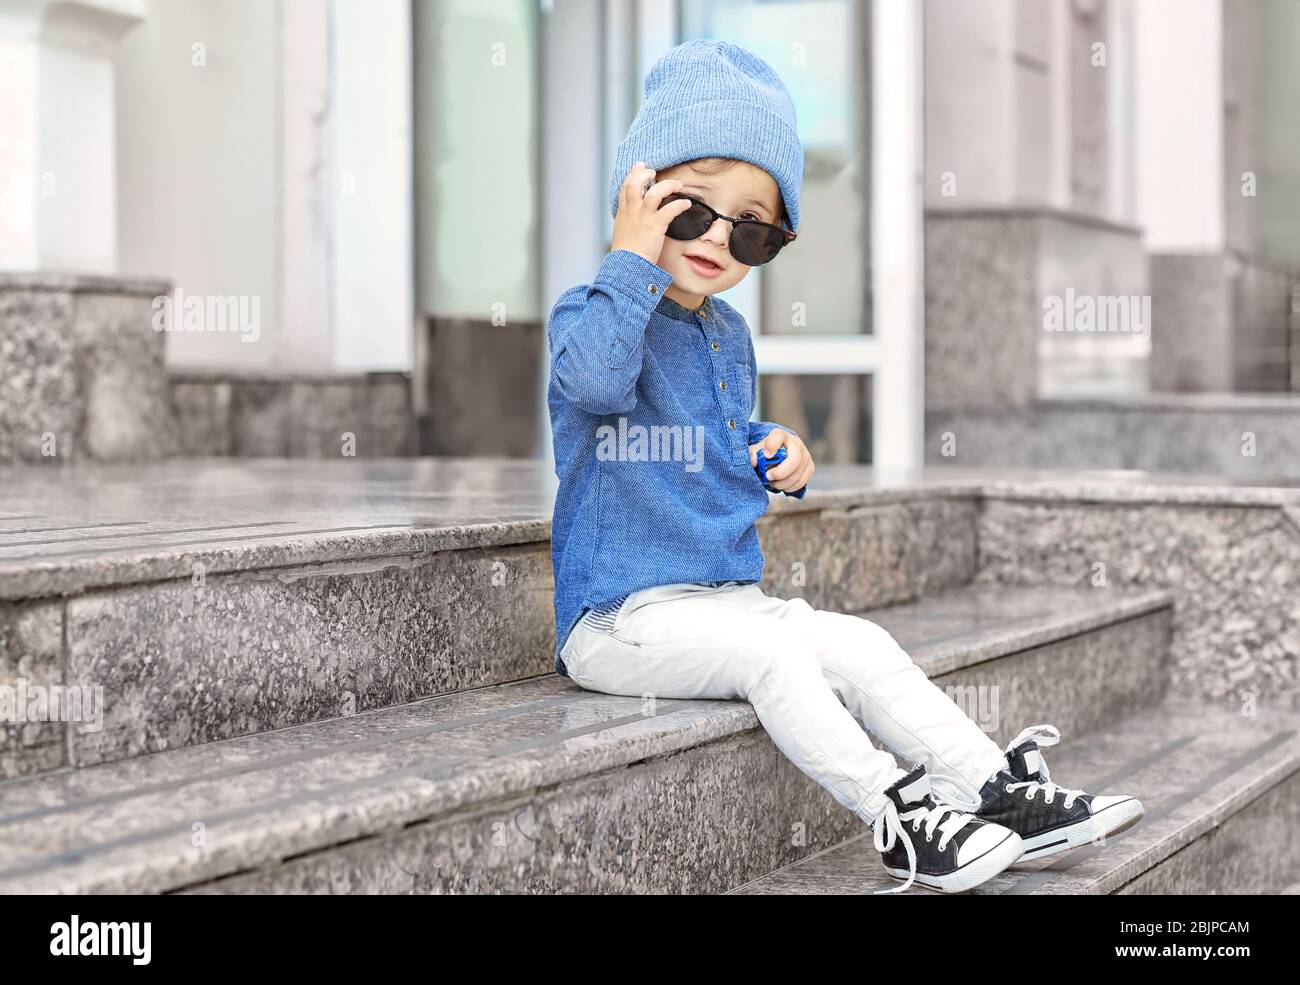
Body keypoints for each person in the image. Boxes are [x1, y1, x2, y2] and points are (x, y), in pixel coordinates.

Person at [545, 39, 1142, 893]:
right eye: (688, 212)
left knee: (859, 643)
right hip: (616, 619)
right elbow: (599, 384)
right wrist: (631, 260)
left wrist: (770, 447)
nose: (717, 238)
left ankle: (992, 789)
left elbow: (708, 435)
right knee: (775, 661)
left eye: (750, 229)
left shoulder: (726, 335)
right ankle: (897, 816)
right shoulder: (590, 310)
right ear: (637, 200)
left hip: (723, 603)